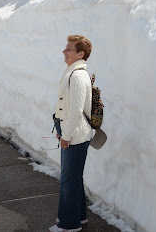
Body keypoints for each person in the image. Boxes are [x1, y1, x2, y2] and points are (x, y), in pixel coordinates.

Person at [50, 34, 94, 232]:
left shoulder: (77, 75)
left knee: (69, 180)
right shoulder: (74, 72)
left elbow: (76, 109)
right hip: (72, 131)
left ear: (80, 54)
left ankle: (69, 224)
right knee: (75, 178)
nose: (64, 51)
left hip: (75, 135)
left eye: (69, 49)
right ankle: (80, 217)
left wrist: (66, 135)